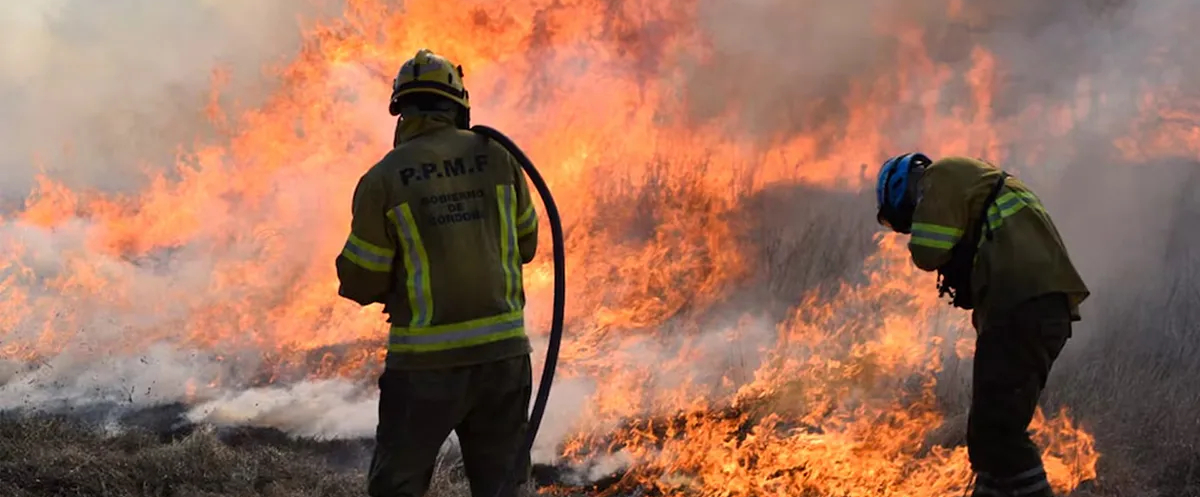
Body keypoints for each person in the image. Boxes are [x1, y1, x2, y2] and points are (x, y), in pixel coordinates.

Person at [335, 48, 539, 497]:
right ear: (459, 106)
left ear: (401, 112)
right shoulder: (501, 158)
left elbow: (362, 279)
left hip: (426, 367)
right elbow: (527, 244)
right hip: (504, 361)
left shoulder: (384, 178)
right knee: (503, 486)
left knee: (398, 487)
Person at [874, 153, 1090, 497]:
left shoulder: (940, 176)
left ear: (904, 191)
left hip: (1022, 305)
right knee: (988, 435)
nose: (915, 224)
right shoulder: (977, 184)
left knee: (998, 432)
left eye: (910, 219)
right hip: (1035, 307)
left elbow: (927, 251)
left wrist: (932, 240)